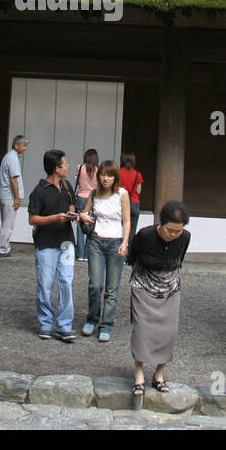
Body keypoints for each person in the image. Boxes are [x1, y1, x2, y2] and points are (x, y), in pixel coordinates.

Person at [128, 199, 191, 396]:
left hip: (170, 286)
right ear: (160, 223)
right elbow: (132, 256)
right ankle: (138, 374)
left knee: (169, 332)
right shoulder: (145, 235)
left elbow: (179, 260)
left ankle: (159, 374)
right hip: (144, 284)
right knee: (141, 330)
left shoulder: (185, 237)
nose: (173, 235)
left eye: (177, 231)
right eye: (170, 230)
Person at [27, 148, 88, 342]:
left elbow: (71, 208)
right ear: (56, 168)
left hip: (66, 240)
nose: (68, 166)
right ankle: (45, 323)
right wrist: (54, 218)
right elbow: (32, 219)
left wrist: (76, 216)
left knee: (66, 283)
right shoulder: (39, 191)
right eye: (65, 164)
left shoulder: (68, 186)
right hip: (46, 242)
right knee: (45, 284)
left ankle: (64, 325)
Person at [80, 159, 130, 342]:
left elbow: (127, 221)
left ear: (115, 177)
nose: (106, 178)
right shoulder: (94, 194)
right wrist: (82, 216)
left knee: (112, 288)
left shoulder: (122, 194)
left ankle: (106, 324)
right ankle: (92, 319)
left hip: (115, 242)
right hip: (96, 241)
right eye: (103, 175)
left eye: (110, 175)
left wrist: (125, 242)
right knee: (95, 284)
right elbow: (84, 213)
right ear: (98, 176)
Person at [0, 135, 28, 258]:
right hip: (9, 196)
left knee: (5, 222)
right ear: (16, 145)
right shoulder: (13, 158)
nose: (25, 148)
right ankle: (1, 248)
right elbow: (14, 179)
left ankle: (5, 247)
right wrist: (17, 197)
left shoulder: (8, 157)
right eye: (23, 145)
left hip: (4, 194)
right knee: (8, 224)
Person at [73, 149, 99, 262]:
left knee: (79, 225)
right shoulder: (98, 170)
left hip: (80, 197)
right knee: (90, 225)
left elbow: (77, 182)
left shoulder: (80, 168)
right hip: (92, 199)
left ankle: (79, 254)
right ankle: (88, 254)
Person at [118, 152, 145, 247]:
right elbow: (138, 191)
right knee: (132, 231)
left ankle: (120, 252)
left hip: (121, 203)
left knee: (120, 229)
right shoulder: (138, 174)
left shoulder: (118, 172)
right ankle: (129, 256)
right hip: (134, 203)